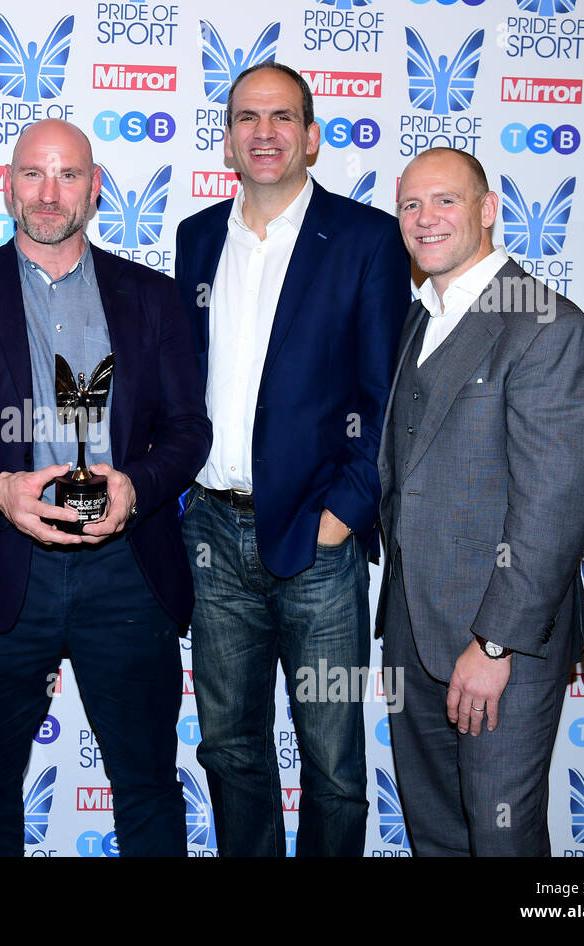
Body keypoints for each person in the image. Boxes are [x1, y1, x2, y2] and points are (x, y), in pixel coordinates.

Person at [0, 119, 211, 856]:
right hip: (5, 567)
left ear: (96, 186)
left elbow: (187, 432)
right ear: (8, 184)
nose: (50, 194)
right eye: (34, 175)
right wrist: (0, 491)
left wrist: (136, 488)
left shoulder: (153, 297)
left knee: (146, 783)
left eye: (68, 175)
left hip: (127, 573)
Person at [174, 61, 410, 857]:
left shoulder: (366, 238)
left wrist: (346, 513)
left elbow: (384, 394)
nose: (263, 132)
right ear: (229, 140)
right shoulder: (198, 237)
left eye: (281, 118)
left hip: (318, 539)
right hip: (212, 533)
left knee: (334, 763)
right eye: (247, 118)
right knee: (230, 749)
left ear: (310, 137)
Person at [378, 147, 584, 855]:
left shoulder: (546, 327)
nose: (425, 218)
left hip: (499, 645)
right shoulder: (421, 318)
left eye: (445, 200)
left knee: (501, 837)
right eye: (411, 205)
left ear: (486, 211)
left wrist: (494, 642)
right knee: (438, 834)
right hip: (416, 632)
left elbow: (553, 508)